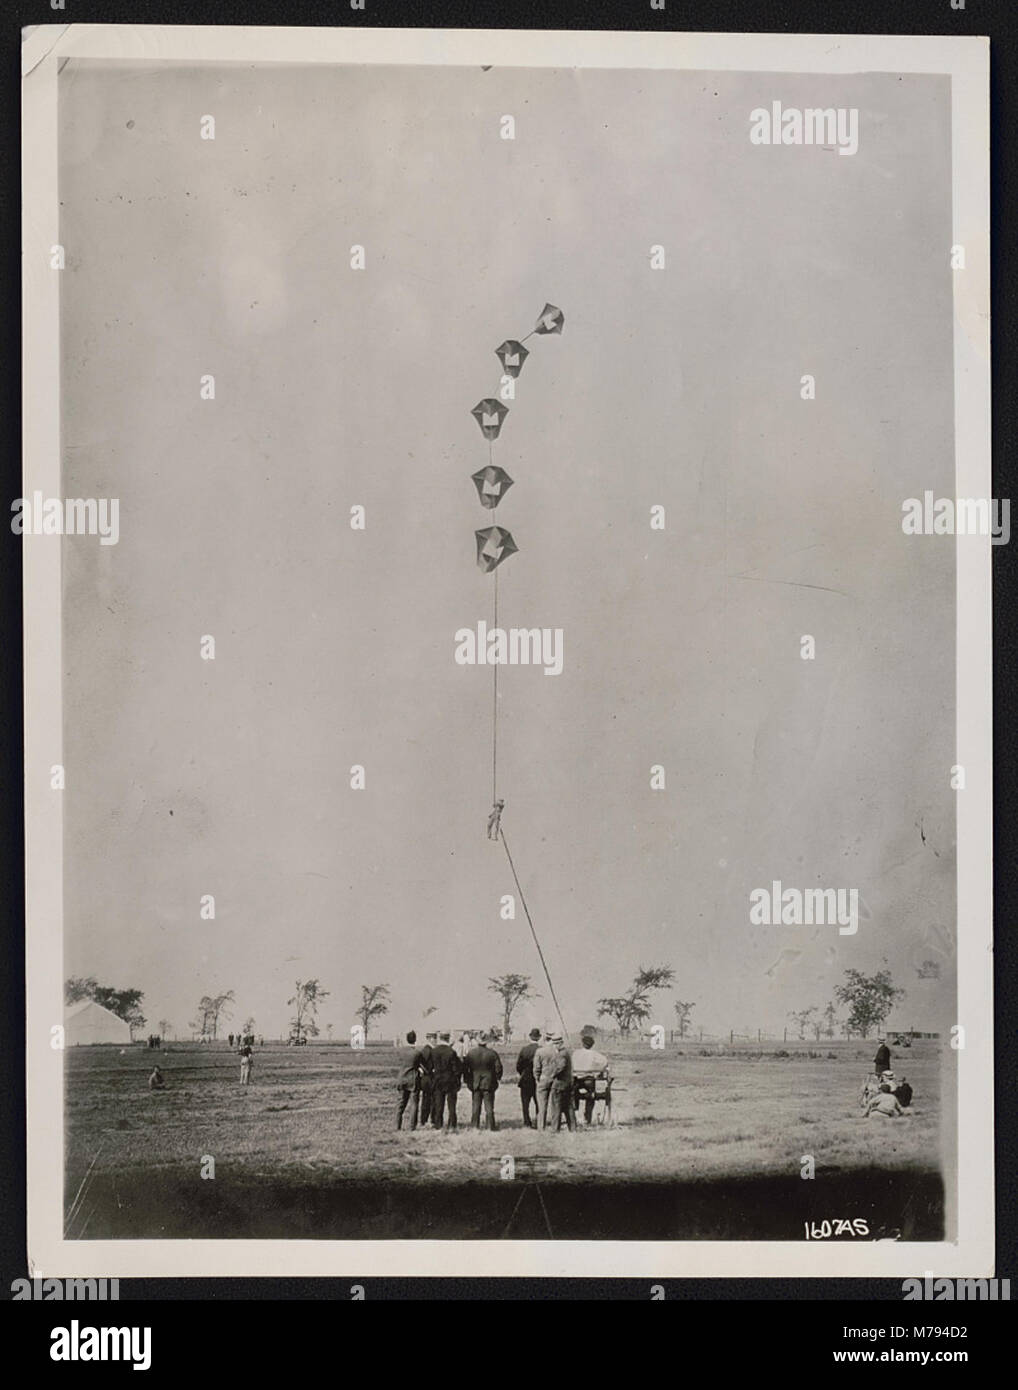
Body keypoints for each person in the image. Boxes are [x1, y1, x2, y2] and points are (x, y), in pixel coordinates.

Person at [463, 1032, 503, 1130]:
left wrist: (468, 1080)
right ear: (486, 1041)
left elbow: (465, 1069)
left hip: (475, 1082)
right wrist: (497, 1078)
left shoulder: (471, 1053)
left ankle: (474, 1126)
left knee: (476, 1105)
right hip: (489, 1083)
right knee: (489, 1106)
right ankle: (490, 1126)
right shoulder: (492, 1053)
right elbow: (498, 1068)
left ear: (477, 1041)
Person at [571, 1032, 610, 1125]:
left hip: (577, 1079)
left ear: (583, 1044)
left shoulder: (576, 1053)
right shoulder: (594, 1054)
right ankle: (587, 1117)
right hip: (589, 1080)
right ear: (592, 1045)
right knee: (591, 1096)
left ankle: (576, 1115)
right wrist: (599, 1069)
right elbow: (605, 1062)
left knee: (574, 1094)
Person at [396, 1030, 427, 1131]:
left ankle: (397, 1126)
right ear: (415, 1040)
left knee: (401, 1103)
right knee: (414, 1104)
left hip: (402, 1078)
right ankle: (412, 1127)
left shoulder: (401, 1051)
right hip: (413, 1079)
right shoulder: (417, 1053)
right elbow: (424, 1066)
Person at [431, 1032, 463, 1130]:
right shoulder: (451, 1052)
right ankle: (452, 1124)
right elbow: (456, 1068)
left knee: (439, 1103)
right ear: (448, 1038)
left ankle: (438, 1124)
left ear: (440, 1038)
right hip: (450, 1081)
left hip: (438, 1080)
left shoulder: (434, 1051)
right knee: (451, 1104)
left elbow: (431, 1066)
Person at [533, 1032, 561, 1130]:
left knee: (542, 1105)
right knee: (556, 1105)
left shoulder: (540, 1051)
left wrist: (537, 1078)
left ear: (545, 1040)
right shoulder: (559, 1052)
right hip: (556, 1080)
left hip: (543, 1079)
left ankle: (541, 1127)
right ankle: (555, 1127)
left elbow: (536, 1068)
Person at [516, 1028, 543, 1127]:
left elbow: (519, 1065)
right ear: (539, 1037)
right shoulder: (542, 1050)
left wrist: (522, 1073)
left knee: (525, 1103)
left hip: (526, 1079)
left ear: (530, 1037)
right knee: (539, 1102)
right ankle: (538, 1121)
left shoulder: (524, 1050)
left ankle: (527, 1122)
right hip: (538, 1079)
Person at [418, 1031, 437, 1127]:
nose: (436, 1040)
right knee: (430, 1100)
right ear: (429, 1039)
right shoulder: (428, 1050)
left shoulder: (426, 1050)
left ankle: (425, 1120)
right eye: (434, 1038)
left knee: (428, 1100)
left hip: (427, 1078)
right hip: (429, 1078)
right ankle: (428, 1120)